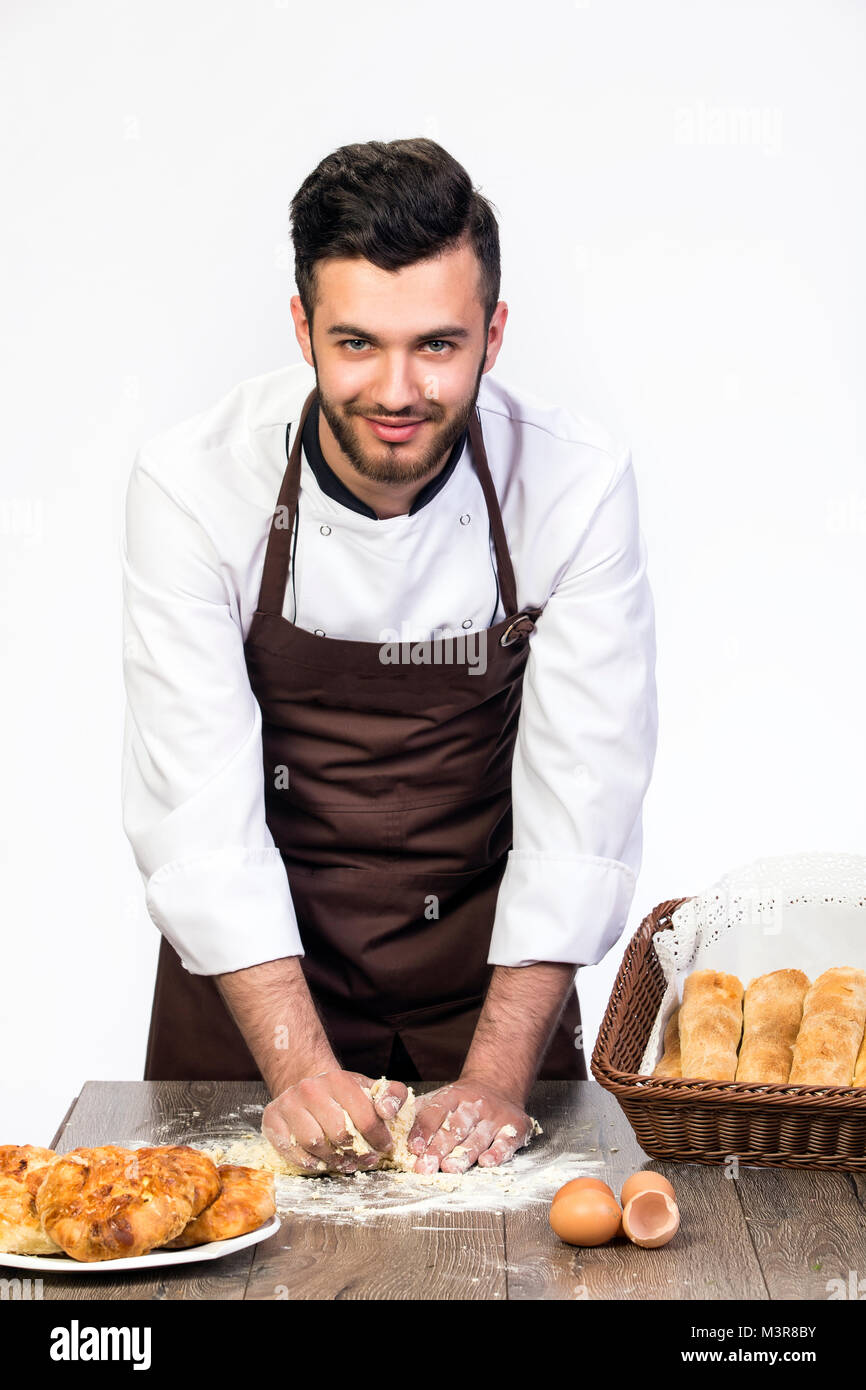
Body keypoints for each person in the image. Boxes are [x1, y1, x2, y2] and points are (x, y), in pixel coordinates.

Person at [121, 137, 657, 1176]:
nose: (396, 390)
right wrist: (297, 1066)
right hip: (250, 996)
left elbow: (582, 801)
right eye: (357, 343)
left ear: (492, 336)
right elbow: (196, 809)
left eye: (438, 346)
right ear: (302, 329)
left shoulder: (574, 485)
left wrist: (498, 1074)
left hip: (489, 985)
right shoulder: (194, 487)